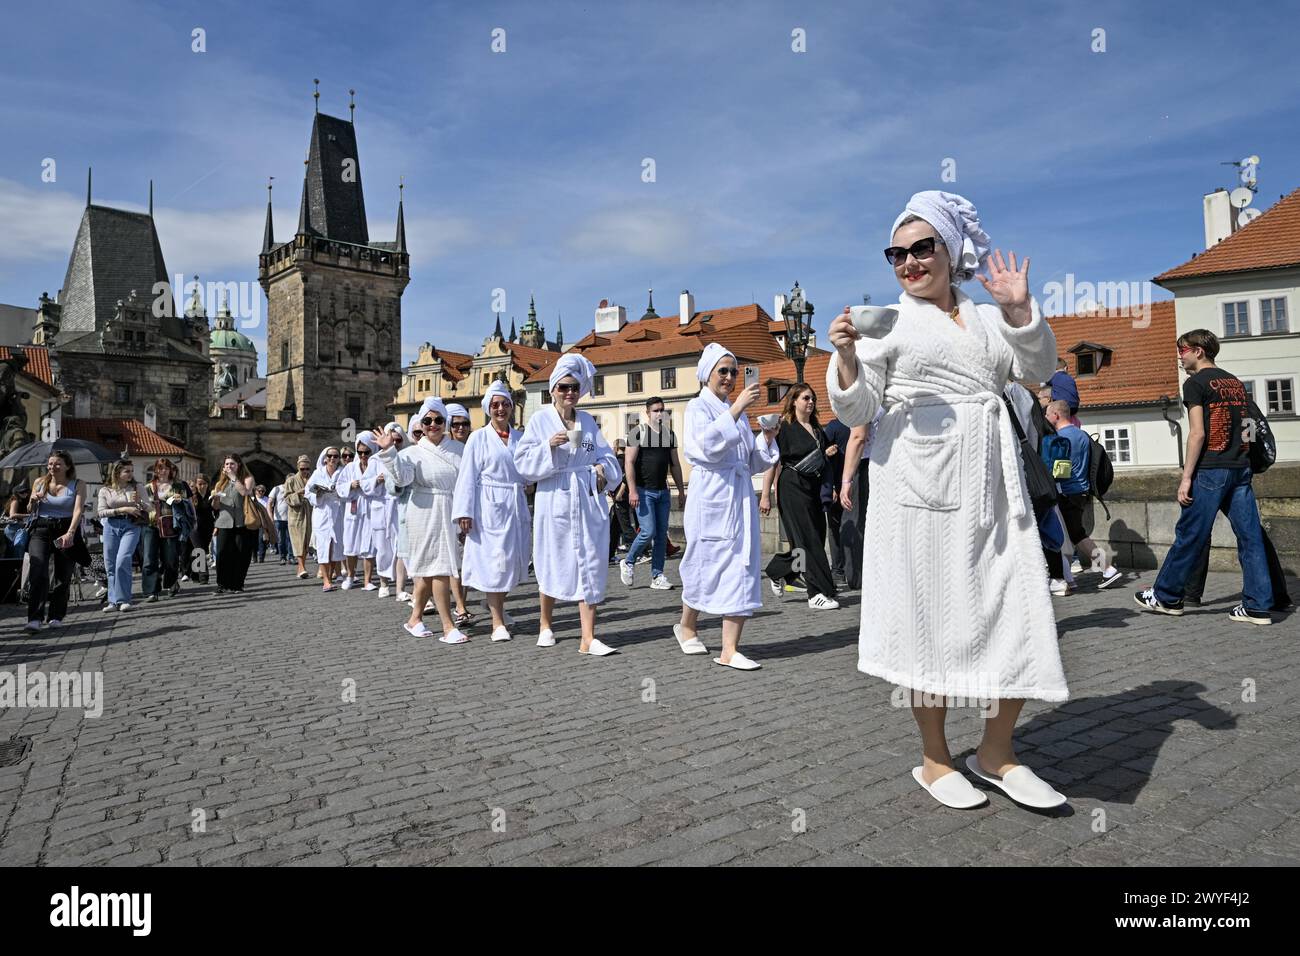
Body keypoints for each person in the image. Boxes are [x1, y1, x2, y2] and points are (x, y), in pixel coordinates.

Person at [827, 189, 1069, 810]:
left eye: (921, 248)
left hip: (991, 485)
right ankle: (935, 761)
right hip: (917, 488)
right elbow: (857, 409)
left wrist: (1019, 311)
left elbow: (1039, 370)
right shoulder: (886, 321)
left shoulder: (987, 318)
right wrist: (846, 356)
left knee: (1016, 608)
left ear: (949, 249)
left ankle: (997, 750)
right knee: (924, 621)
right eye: (896, 253)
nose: (908, 263)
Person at [1135, 329, 1273, 624]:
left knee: (1191, 534)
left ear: (1198, 350)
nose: (1179, 356)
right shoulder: (1234, 382)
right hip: (1240, 469)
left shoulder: (1195, 383)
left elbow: (1197, 434)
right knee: (1250, 538)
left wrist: (1186, 477)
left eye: (1182, 350)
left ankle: (1167, 596)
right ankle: (1257, 605)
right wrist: (1243, 456)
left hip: (1211, 469)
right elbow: (1249, 423)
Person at [677, 343, 780, 668]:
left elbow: (749, 462)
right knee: (705, 562)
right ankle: (687, 625)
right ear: (708, 373)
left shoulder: (739, 412)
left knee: (742, 565)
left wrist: (766, 437)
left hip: (738, 497)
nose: (730, 377)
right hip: (711, 495)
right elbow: (703, 447)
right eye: (723, 371)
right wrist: (735, 410)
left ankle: (729, 649)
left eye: (734, 371)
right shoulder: (698, 407)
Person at [514, 353, 621, 655]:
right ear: (553, 390)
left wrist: (601, 468)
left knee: (589, 561)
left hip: (585, 498)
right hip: (554, 497)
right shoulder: (539, 420)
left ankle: (588, 638)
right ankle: (545, 624)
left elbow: (604, 454)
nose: (569, 393)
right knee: (552, 559)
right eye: (563, 387)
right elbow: (522, 463)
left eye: (574, 387)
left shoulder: (586, 421)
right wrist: (548, 447)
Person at [375, 399, 467, 643]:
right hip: (423, 513)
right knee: (440, 569)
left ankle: (414, 619)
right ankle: (448, 626)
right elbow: (401, 480)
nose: (433, 425)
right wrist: (388, 453)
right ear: (421, 424)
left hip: (450, 510)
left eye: (438, 420)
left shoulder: (460, 450)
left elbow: (468, 484)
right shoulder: (410, 453)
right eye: (427, 421)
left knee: (428, 573)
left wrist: (466, 514)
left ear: (445, 421)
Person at [452, 381, 531, 642]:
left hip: (515, 503)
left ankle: (496, 605)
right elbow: (466, 476)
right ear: (488, 408)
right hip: (488, 506)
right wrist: (464, 511)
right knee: (495, 562)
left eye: (505, 404)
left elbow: (530, 468)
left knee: (511, 563)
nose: (500, 409)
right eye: (495, 405)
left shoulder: (520, 437)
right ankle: (497, 622)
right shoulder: (478, 438)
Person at [762, 383, 840, 610]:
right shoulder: (785, 428)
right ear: (794, 401)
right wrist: (765, 494)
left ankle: (778, 571)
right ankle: (816, 593)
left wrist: (827, 455)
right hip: (792, 486)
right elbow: (772, 461)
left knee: (814, 535)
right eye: (806, 398)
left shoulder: (816, 428)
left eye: (812, 398)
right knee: (808, 540)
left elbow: (821, 458)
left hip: (814, 487)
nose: (810, 402)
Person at [1041, 400, 1123, 591]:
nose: (1045, 418)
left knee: (1075, 535)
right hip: (1081, 491)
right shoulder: (1082, 435)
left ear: (1056, 415)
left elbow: (1059, 470)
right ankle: (1068, 578)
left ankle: (1107, 568)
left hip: (1066, 492)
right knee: (1070, 536)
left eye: (1047, 414)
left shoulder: (1060, 437)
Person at [620, 396, 686, 589]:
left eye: (662, 410)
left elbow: (675, 464)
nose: (660, 413)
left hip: (663, 492)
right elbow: (629, 462)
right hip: (643, 491)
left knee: (660, 535)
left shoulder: (669, 434)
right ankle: (629, 561)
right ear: (647, 412)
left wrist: (681, 491)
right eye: (656, 410)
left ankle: (657, 575)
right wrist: (632, 491)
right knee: (648, 531)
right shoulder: (637, 433)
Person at [25, 450, 88, 629]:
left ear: (67, 466)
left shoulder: (77, 484)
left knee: (63, 575)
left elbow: (78, 510)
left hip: (65, 529)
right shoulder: (39, 482)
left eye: (58, 463)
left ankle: (55, 616)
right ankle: (34, 618)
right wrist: (33, 500)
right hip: (41, 529)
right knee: (38, 572)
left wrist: (70, 533)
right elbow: (30, 508)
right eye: (51, 463)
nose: (53, 467)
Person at [837, 409, 881, 590]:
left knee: (853, 521)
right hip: (888, 461)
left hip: (866, 463)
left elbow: (858, 437)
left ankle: (855, 576)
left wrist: (846, 480)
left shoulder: (866, 400)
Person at [97, 459, 147, 612]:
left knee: (122, 559)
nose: (131, 474)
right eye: (127, 471)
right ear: (117, 472)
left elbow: (150, 506)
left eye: (132, 471)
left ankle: (124, 600)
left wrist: (140, 503)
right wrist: (122, 509)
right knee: (110, 564)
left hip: (131, 525)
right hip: (111, 526)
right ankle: (112, 601)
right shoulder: (105, 490)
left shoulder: (137, 487)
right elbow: (100, 512)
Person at [139, 458, 190, 601]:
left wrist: (181, 499)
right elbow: (142, 506)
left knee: (170, 559)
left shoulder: (179, 485)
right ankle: (152, 591)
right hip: (152, 525)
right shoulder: (148, 486)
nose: (163, 471)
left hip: (171, 524)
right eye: (160, 468)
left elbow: (187, 503)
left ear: (170, 470)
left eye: (166, 468)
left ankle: (171, 582)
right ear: (155, 470)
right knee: (149, 559)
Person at [445, 403, 477, 628]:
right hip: (450, 509)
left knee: (466, 561)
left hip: (472, 509)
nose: (461, 428)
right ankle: (459, 607)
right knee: (454, 561)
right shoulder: (445, 449)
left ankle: (461, 603)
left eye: (465, 424)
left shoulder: (474, 446)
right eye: (456, 424)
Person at [366, 423, 406, 598]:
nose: (395, 443)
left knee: (401, 548)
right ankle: (383, 582)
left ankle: (400, 587)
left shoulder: (405, 458)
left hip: (400, 506)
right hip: (382, 507)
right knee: (383, 549)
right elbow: (365, 484)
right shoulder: (375, 460)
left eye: (398, 440)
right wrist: (377, 480)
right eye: (392, 440)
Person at [210, 454, 259, 593]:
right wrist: (215, 499)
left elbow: (245, 492)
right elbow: (216, 507)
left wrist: (233, 478)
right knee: (221, 553)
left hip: (242, 521)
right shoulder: (220, 483)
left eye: (232, 464)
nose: (229, 467)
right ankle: (222, 584)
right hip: (224, 521)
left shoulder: (247, 479)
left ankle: (237, 584)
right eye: (226, 464)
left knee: (241, 554)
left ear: (238, 465)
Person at [339, 434, 382, 591]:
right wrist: (351, 485)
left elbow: (382, 486)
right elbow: (340, 486)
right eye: (360, 452)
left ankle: (367, 580)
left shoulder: (378, 466)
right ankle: (350, 576)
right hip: (354, 509)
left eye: (367, 452)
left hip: (371, 509)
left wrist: (372, 483)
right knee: (350, 544)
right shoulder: (350, 468)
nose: (363, 456)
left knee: (369, 545)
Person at [305, 448, 346, 592]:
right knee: (323, 546)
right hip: (321, 512)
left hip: (337, 511)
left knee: (335, 546)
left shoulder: (343, 472)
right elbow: (308, 492)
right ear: (325, 458)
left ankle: (331, 574)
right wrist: (318, 493)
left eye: (336, 456)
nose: (333, 458)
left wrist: (339, 491)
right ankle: (326, 581)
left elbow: (348, 490)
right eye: (330, 456)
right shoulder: (318, 473)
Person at [283, 456, 313, 579]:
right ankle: (302, 568)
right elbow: (287, 498)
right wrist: (299, 493)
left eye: (307, 468)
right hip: (297, 515)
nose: (305, 471)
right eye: (302, 469)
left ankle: (301, 568)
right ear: (298, 467)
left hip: (310, 514)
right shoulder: (291, 480)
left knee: (306, 542)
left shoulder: (313, 479)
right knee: (298, 542)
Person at [188, 474, 216, 584]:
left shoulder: (211, 495)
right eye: (200, 484)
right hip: (194, 527)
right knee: (200, 550)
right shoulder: (192, 496)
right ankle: (204, 576)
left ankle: (195, 574)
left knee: (200, 550)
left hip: (208, 526)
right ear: (196, 484)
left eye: (204, 484)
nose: (202, 486)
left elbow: (215, 509)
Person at [1046, 358, 1081, 426]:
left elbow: (1044, 383)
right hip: (1075, 406)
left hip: (1062, 406)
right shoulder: (1070, 378)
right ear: (1066, 368)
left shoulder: (1054, 377)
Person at [268, 478, 292, 565]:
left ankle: (291, 557)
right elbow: (269, 503)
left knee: (291, 539)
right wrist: (270, 515)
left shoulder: (293, 488)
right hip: (279, 519)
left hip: (292, 518)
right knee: (281, 539)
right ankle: (283, 557)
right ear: (286, 480)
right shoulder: (277, 488)